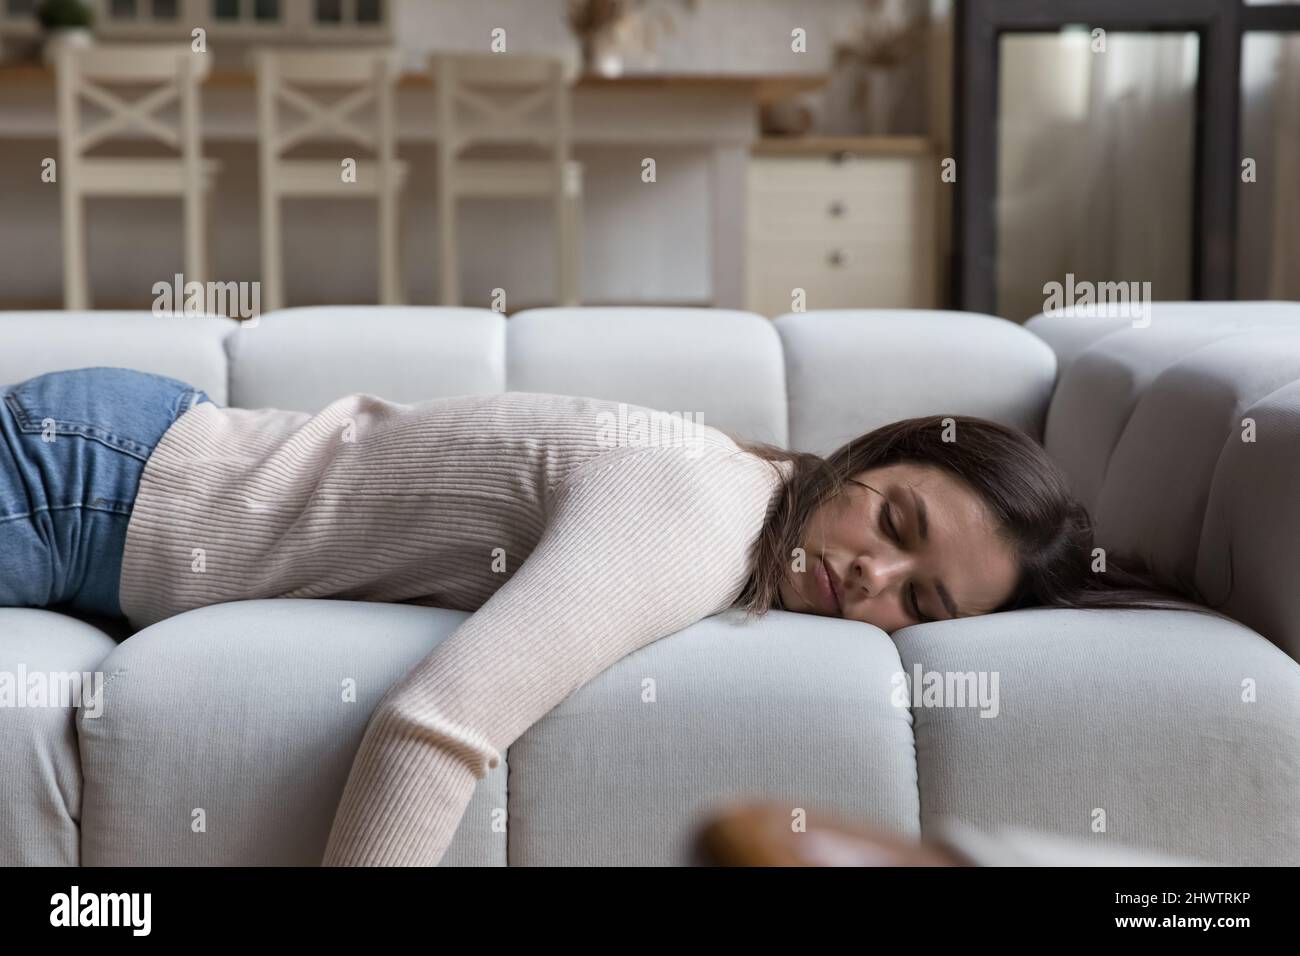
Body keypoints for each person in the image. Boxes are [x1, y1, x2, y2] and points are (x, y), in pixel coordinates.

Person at [0, 366, 1213, 865]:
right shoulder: (694, 507)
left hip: (113, 489)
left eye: (923, 600)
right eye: (890, 525)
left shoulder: (739, 511)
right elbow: (435, 727)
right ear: (860, 463)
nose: (871, 582)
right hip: (89, 482)